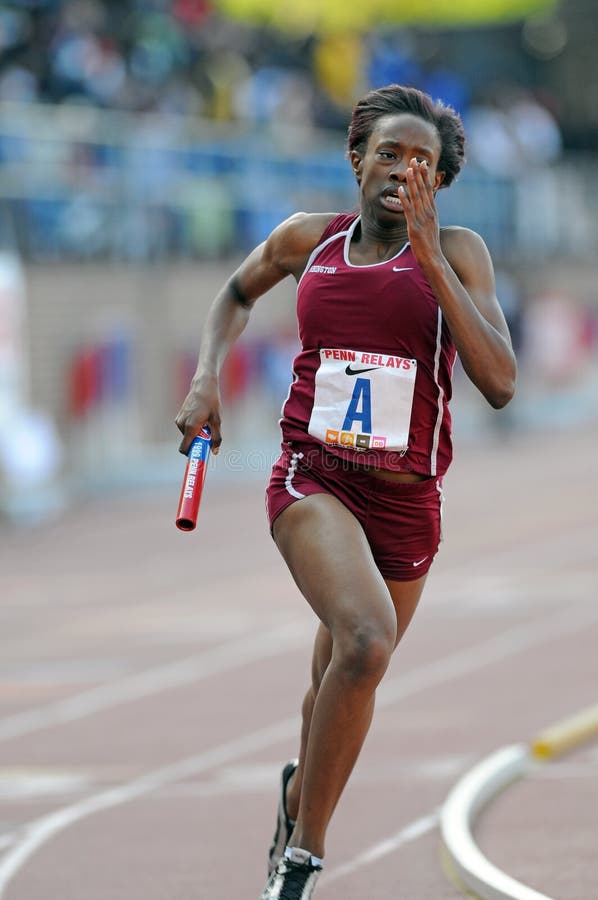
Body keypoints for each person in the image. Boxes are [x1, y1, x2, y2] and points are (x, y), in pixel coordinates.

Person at [176, 84, 516, 899]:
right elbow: (235, 294)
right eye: (389, 153)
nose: (403, 170)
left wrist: (431, 258)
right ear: (356, 158)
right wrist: (206, 378)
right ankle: (303, 858)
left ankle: (298, 794)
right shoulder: (310, 239)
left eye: (423, 162)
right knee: (365, 640)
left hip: (408, 503)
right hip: (315, 478)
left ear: (441, 182)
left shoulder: (460, 252)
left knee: (336, 670)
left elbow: (501, 383)